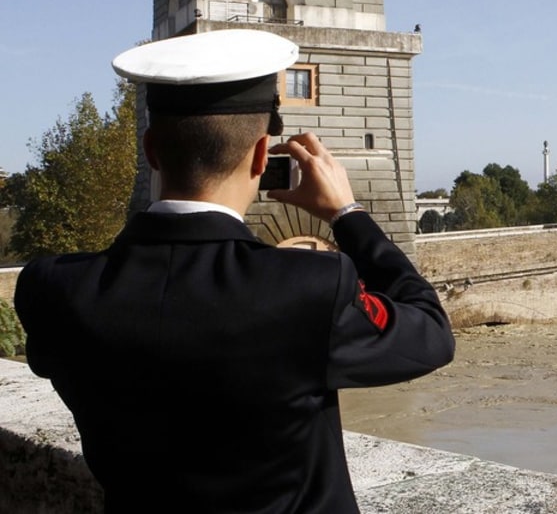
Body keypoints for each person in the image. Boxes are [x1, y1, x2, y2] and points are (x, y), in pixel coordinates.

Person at [14, 29, 455, 513]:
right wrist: (347, 214)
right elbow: (430, 331)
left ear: (151, 150)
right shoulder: (306, 289)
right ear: (263, 156)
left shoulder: (54, 290)